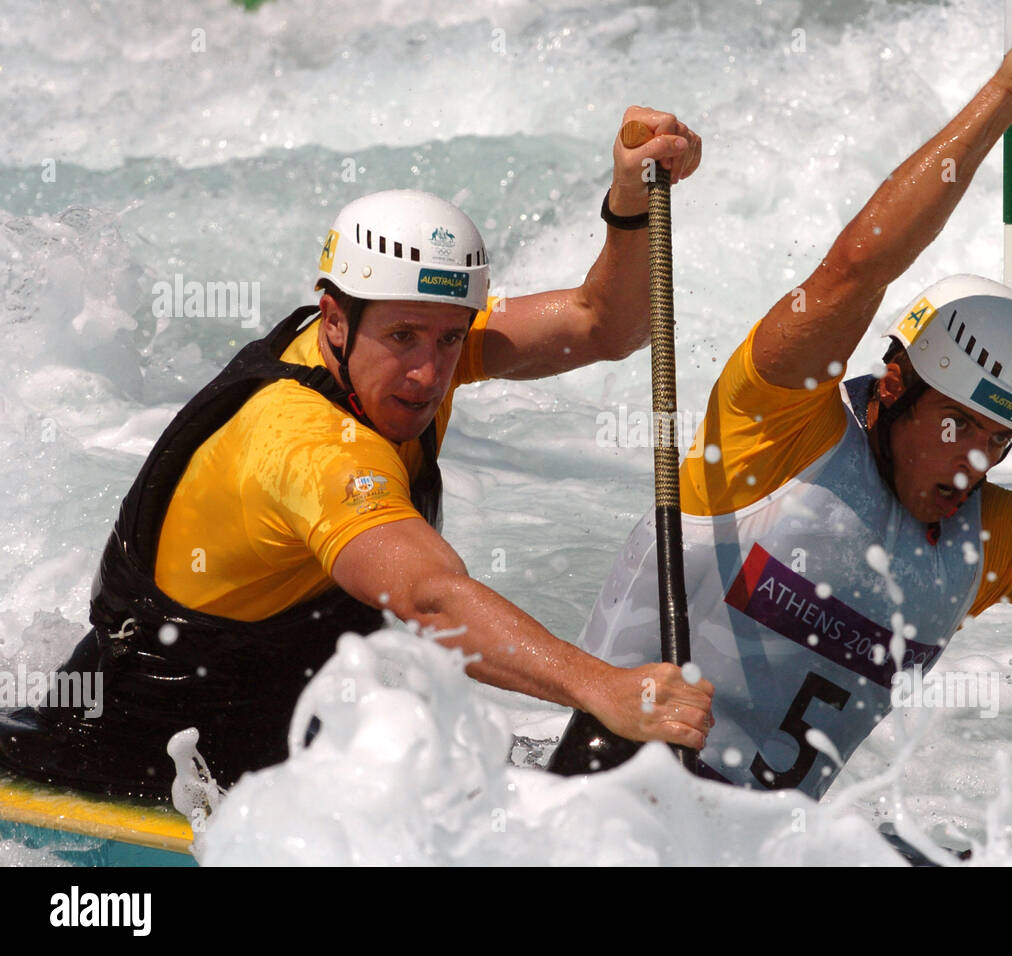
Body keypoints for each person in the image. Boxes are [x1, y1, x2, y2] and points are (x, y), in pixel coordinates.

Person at [553, 24, 1012, 804]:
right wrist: (1006, 98)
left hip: (766, 849)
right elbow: (855, 269)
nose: (974, 460)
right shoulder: (773, 428)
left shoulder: (991, 538)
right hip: (590, 807)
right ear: (890, 389)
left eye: (998, 440)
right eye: (956, 425)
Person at [0, 107, 713, 800]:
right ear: (334, 319)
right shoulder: (308, 447)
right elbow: (431, 601)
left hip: (290, 720)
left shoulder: (392, 334)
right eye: (404, 339)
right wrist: (603, 686)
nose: (430, 374)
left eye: (450, 339)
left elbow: (600, 325)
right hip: (148, 759)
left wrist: (629, 206)